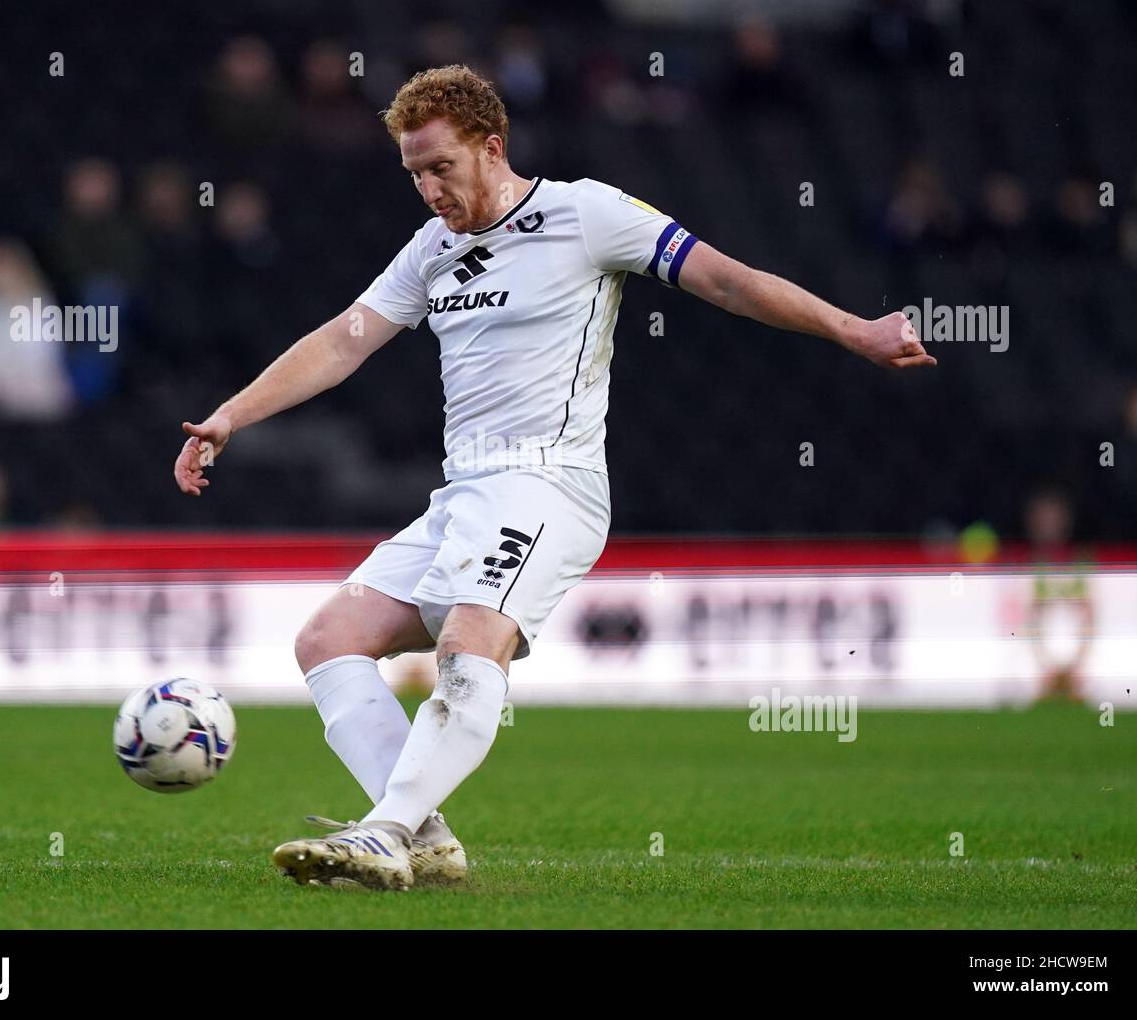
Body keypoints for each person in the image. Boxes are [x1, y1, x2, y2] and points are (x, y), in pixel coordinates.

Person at [173, 65, 936, 890]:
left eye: (442, 169)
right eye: (415, 175)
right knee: (327, 640)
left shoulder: (584, 213)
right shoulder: (431, 251)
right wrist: (230, 417)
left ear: (491, 148)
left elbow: (726, 279)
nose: (429, 190)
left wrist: (856, 329)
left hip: (549, 485)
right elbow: (342, 341)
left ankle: (385, 831)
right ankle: (422, 833)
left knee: (471, 644)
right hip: (464, 493)